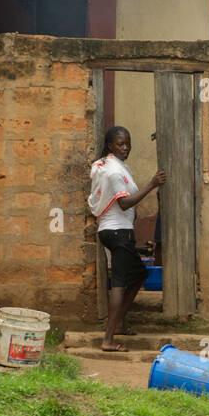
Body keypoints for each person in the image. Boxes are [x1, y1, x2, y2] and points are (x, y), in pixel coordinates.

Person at [88, 126, 165, 351]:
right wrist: (152, 185)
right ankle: (108, 339)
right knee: (120, 283)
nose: (126, 148)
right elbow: (124, 202)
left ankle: (119, 325)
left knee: (139, 274)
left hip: (118, 231)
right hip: (117, 232)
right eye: (121, 144)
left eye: (128, 143)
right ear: (110, 145)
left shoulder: (114, 166)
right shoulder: (113, 171)